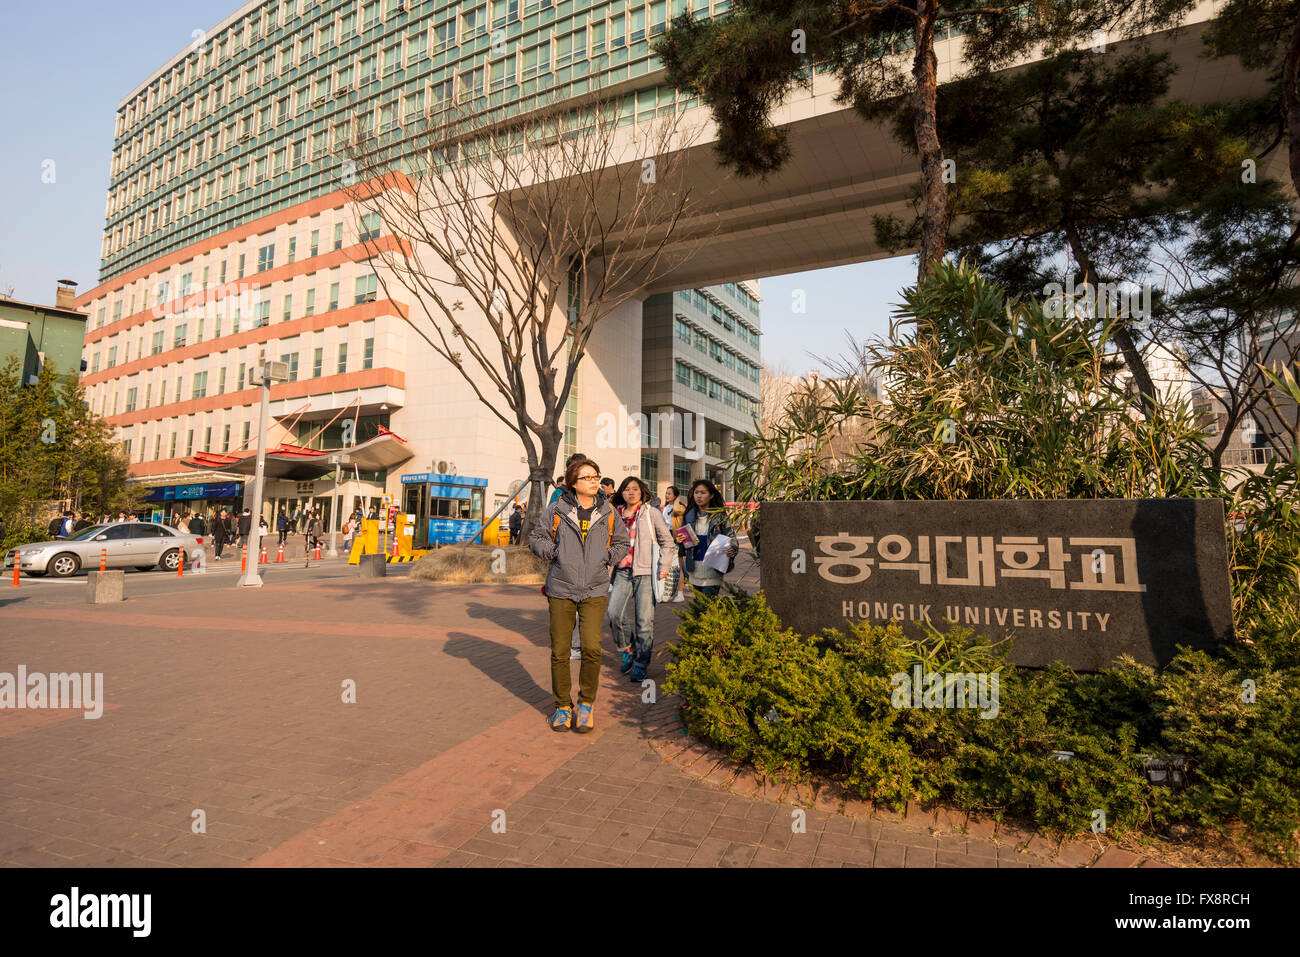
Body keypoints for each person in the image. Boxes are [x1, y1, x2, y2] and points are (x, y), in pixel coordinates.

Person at [528, 457, 629, 733]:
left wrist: (607, 557)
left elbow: (622, 541)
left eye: (596, 476)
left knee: (592, 647)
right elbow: (536, 538)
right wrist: (553, 553)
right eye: (587, 477)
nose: (594, 480)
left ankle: (586, 704)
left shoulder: (608, 512)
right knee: (560, 650)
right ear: (573, 483)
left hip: (594, 588)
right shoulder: (558, 510)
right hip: (561, 587)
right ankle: (562, 706)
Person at [606, 477, 676, 683]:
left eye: (635, 489)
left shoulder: (650, 513)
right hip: (621, 571)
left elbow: (667, 541)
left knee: (644, 621)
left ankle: (641, 663)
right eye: (626, 489)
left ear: (642, 492)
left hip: (646, 573)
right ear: (622, 492)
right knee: (613, 614)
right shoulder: (614, 514)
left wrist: (664, 567)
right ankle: (628, 648)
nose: (631, 493)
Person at [678, 479, 738, 598]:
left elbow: (731, 536)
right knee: (701, 606)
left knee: (705, 605)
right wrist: (680, 540)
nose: (699, 496)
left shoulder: (720, 516)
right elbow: (685, 545)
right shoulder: (688, 515)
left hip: (713, 569)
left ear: (711, 495)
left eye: (703, 493)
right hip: (694, 569)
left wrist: (733, 549)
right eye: (696, 492)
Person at [661, 485, 687, 603]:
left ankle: (680, 593)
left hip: (677, 538)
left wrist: (677, 502)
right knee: (668, 566)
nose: (667, 495)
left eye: (670, 493)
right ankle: (669, 592)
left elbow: (678, 515)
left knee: (679, 567)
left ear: (676, 496)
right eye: (666, 493)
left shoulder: (680, 507)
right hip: (666, 538)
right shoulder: (666, 507)